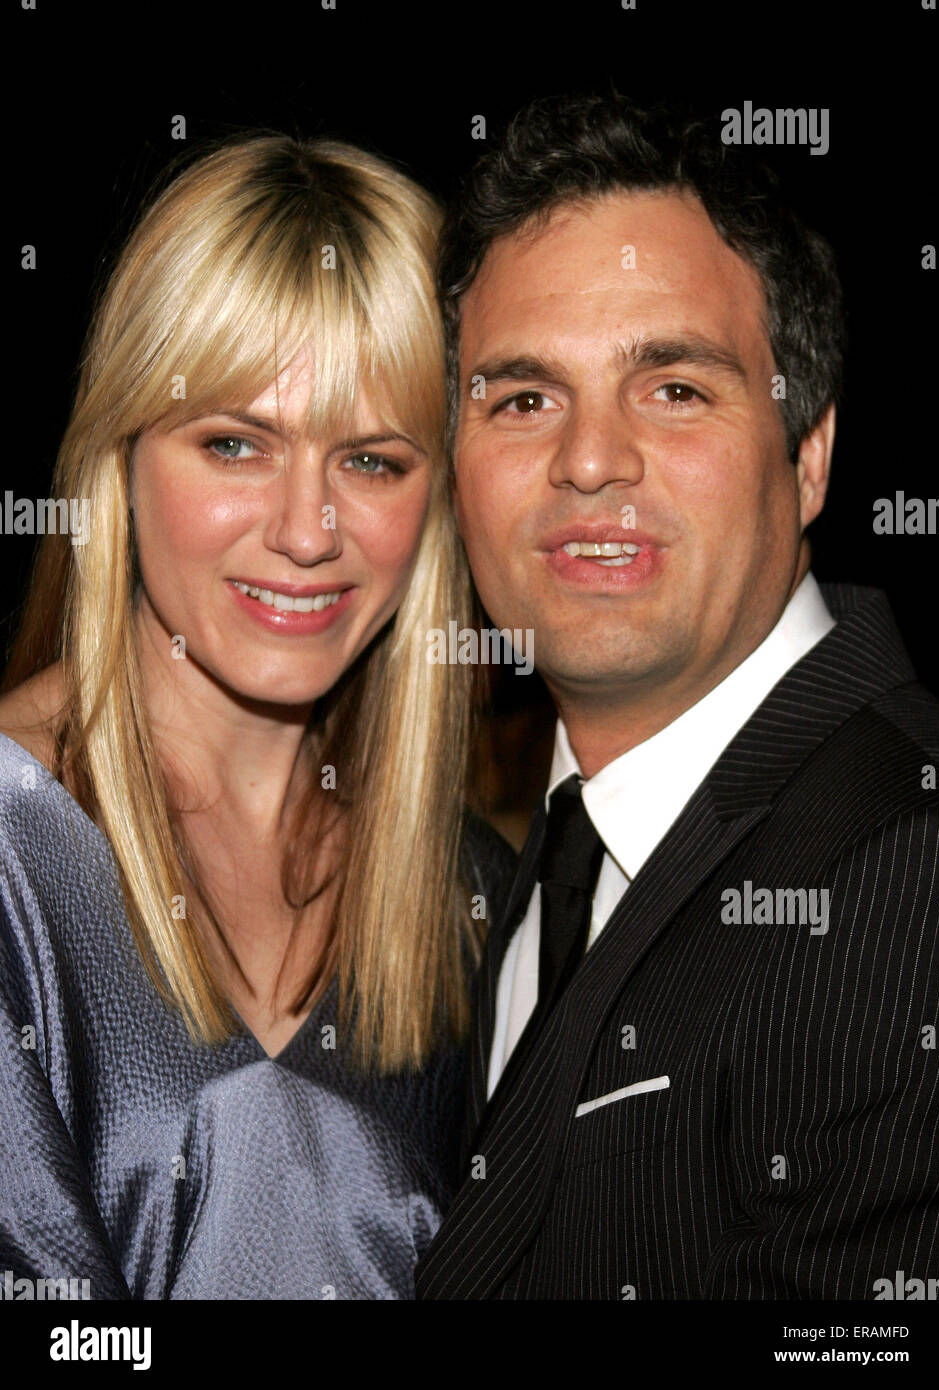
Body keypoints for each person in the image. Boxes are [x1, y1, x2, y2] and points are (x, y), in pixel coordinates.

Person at [415, 92, 939, 1300]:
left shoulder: (917, 876)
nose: (590, 457)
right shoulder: (524, 871)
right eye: (521, 398)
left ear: (806, 450)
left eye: (672, 387)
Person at [0, 134, 515, 1300]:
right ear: (121, 453)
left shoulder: (477, 904)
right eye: (235, 442)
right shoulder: (13, 851)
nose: (303, 528)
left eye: (373, 462)